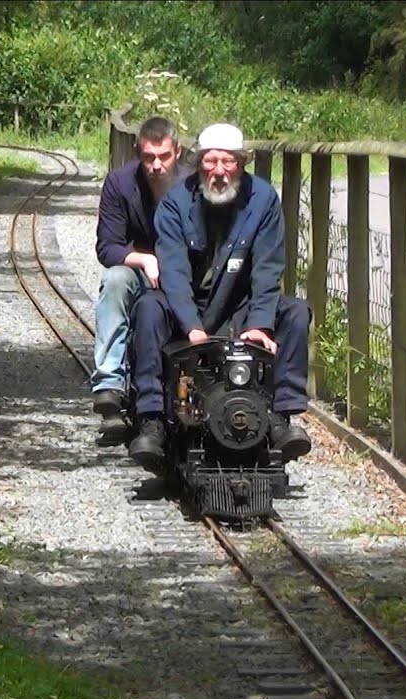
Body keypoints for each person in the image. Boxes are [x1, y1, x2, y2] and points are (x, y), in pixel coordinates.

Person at [127, 122, 313, 466]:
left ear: (242, 163)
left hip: (238, 305)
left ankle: (280, 418)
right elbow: (174, 271)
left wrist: (260, 324)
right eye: (211, 162)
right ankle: (151, 419)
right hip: (187, 306)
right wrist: (192, 327)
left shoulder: (264, 199)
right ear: (199, 163)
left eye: (228, 162)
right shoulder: (175, 204)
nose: (219, 171)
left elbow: (268, 267)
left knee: (297, 312)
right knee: (148, 308)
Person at [90, 115, 192, 443]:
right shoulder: (120, 184)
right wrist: (146, 259)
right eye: (149, 157)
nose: (156, 165)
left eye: (163, 157)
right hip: (138, 269)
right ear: (138, 153)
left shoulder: (195, 186)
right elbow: (107, 247)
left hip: (186, 272)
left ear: (177, 152)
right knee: (116, 281)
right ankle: (110, 386)